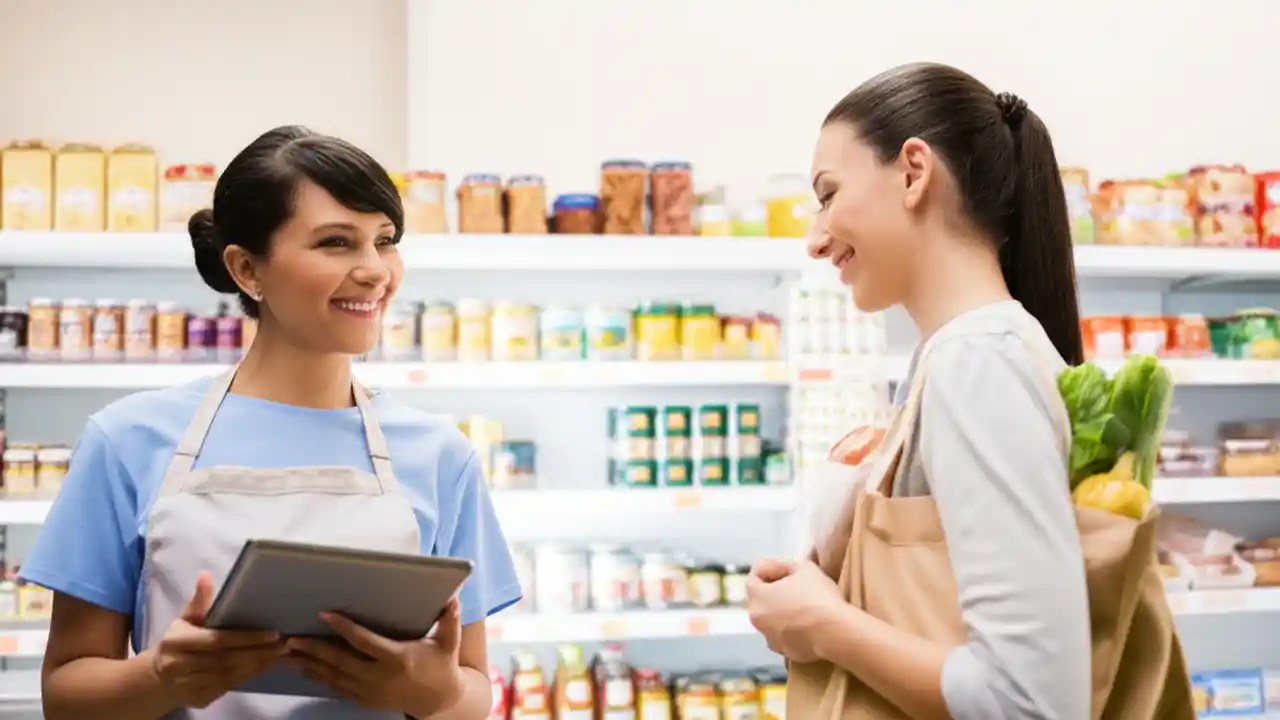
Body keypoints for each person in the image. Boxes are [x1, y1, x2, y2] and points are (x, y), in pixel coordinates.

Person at [20, 126, 521, 720]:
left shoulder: (440, 454)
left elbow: (472, 689)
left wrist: (432, 694)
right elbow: (66, 694)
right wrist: (162, 676)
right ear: (247, 270)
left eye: (384, 241)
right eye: (336, 242)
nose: (375, 271)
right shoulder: (128, 439)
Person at [746, 63, 1091, 719]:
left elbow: (1031, 702)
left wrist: (823, 625)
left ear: (913, 172)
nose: (816, 240)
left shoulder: (977, 361)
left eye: (828, 194)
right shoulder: (962, 356)